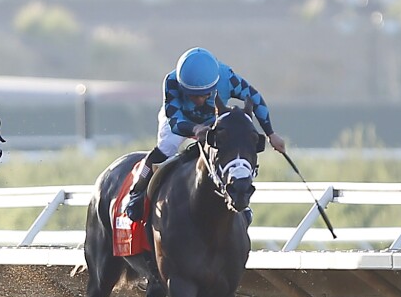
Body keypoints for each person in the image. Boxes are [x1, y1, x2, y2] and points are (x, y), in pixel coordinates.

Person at [122, 47, 285, 221]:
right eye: (192, 95)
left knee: (228, 149)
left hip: (211, 119)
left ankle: (238, 197)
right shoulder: (171, 81)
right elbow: (175, 122)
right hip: (181, 119)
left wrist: (271, 133)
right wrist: (194, 129)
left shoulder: (228, 78)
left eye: (204, 95)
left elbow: (255, 99)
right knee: (166, 148)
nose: (199, 100)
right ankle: (137, 192)